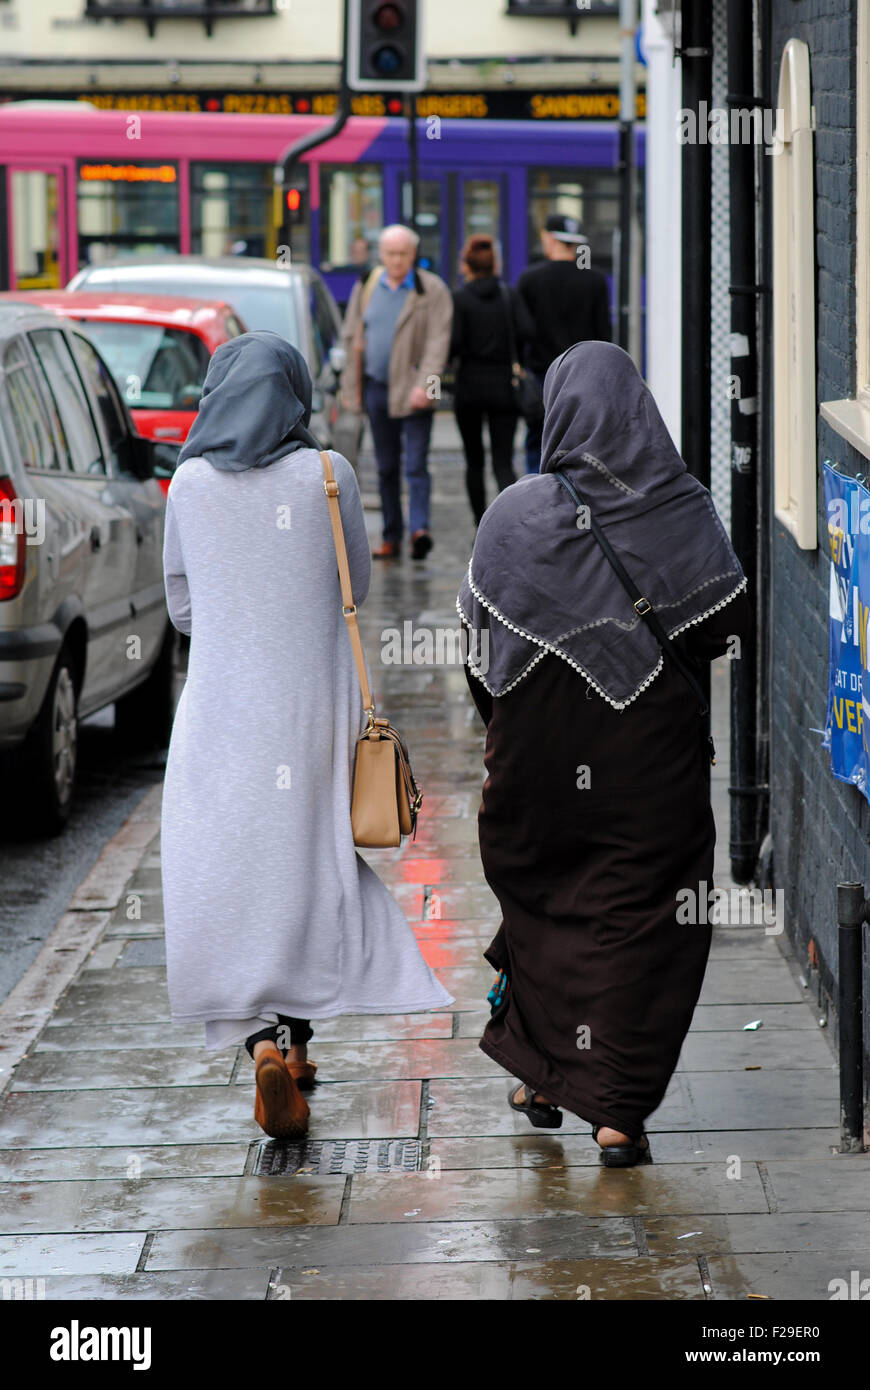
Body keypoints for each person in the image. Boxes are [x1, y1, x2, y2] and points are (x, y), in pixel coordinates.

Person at [457, 341, 751, 1167]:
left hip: (533, 769)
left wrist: (507, 722)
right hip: (649, 771)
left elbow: (476, 650)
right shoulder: (680, 505)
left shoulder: (514, 515)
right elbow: (729, 627)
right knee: (638, 924)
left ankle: (546, 1076)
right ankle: (615, 1113)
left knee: (548, 912)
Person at [161, 331, 453, 1141]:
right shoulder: (329, 474)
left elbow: (182, 609)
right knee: (303, 860)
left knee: (235, 872)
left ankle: (263, 1043)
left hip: (220, 714)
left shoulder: (187, 483)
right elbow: (354, 583)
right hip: (310, 714)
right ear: (294, 394)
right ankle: (293, 1046)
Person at [340, 224, 453, 560]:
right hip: (376, 387)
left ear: (413, 255)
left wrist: (426, 387)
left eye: (403, 253)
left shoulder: (431, 290)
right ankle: (391, 536)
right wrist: (350, 388)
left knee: (415, 464)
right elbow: (351, 337)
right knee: (386, 466)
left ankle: (420, 529)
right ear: (381, 254)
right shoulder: (368, 286)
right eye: (390, 253)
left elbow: (438, 342)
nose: (396, 260)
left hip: (414, 390)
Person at [450, 234, 535, 526]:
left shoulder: (459, 299)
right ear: (494, 264)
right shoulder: (508, 296)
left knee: (474, 461)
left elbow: (454, 343)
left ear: (467, 265)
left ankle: (480, 524)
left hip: (469, 388)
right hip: (503, 388)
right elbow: (528, 331)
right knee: (503, 460)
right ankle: (508, 522)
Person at [517, 213, 612, 473]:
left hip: (542, 377)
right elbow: (603, 335)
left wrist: (520, 368)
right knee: (580, 444)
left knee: (538, 442)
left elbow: (521, 331)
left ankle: (536, 499)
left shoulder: (529, 279)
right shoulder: (595, 281)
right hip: (584, 377)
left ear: (549, 238)